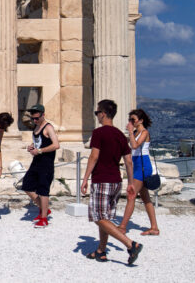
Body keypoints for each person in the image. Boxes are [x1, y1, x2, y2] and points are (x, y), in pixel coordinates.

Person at [80, 99, 143, 265]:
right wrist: (130, 183)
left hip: (102, 179)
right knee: (105, 217)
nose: (97, 116)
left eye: (97, 113)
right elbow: (128, 161)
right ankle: (101, 251)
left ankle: (131, 244)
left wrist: (85, 178)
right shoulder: (120, 135)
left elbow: (94, 156)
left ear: (103, 114)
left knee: (97, 217)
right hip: (116, 181)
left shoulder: (99, 133)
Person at [119, 108, 161, 236]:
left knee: (131, 195)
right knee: (145, 198)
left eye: (133, 120)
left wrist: (131, 132)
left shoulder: (144, 132)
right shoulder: (136, 131)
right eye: (130, 120)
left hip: (143, 165)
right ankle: (154, 227)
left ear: (141, 120)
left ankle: (122, 226)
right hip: (137, 164)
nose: (131, 122)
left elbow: (135, 145)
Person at [21, 103, 59, 228]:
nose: (35, 120)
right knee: (26, 185)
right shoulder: (36, 127)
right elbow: (38, 142)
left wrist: (40, 150)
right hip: (36, 162)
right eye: (33, 118)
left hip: (46, 163)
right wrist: (31, 146)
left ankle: (44, 218)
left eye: (37, 118)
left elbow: (56, 145)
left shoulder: (48, 127)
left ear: (43, 115)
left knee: (43, 190)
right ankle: (44, 209)